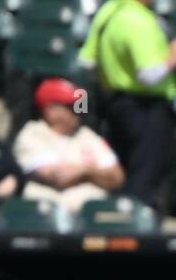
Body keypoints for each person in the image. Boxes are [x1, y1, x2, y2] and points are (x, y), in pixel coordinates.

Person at [79, 0, 176, 206]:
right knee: (145, 178)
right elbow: (149, 75)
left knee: (126, 172)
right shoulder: (137, 19)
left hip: (116, 106)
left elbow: (87, 60)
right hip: (145, 108)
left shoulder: (108, 11)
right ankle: (138, 231)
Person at [13, 77, 125, 213]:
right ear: (50, 110)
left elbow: (117, 177)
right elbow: (60, 177)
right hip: (48, 220)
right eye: (72, 106)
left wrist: (84, 171)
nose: (78, 111)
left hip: (93, 218)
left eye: (80, 105)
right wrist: (96, 174)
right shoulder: (32, 134)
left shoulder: (87, 135)